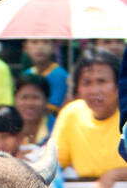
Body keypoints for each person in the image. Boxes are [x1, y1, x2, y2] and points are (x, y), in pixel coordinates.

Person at [53, 48, 125, 179]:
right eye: (87, 83)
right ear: (78, 89)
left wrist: (114, 176)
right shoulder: (71, 113)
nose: (94, 90)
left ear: (118, 85)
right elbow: (54, 162)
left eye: (102, 82)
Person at [23, 38, 67, 113]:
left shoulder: (60, 75)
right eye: (34, 42)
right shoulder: (27, 74)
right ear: (25, 48)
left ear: (53, 47)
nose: (40, 47)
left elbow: (54, 107)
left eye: (45, 42)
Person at [14, 72, 53, 148]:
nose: (29, 104)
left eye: (35, 97)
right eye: (24, 97)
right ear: (14, 100)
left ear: (46, 101)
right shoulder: (8, 131)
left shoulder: (56, 128)